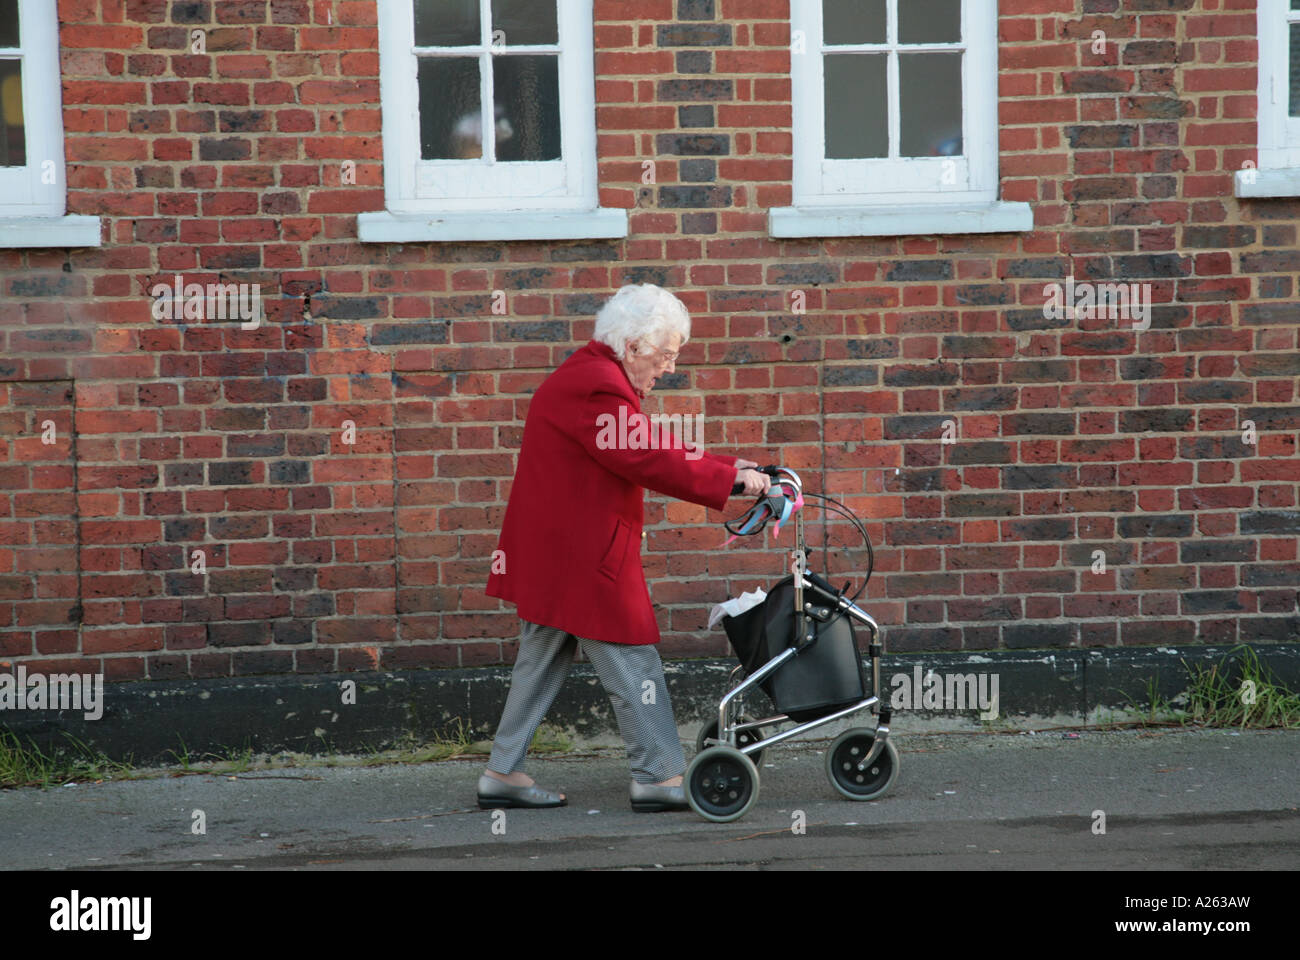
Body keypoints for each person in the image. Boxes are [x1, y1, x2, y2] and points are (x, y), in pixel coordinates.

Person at [478, 283, 772, 811]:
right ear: (634, 345)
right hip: (583, 558)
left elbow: (650, 440)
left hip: (557, 550)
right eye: (665, 355)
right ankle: (658, 777)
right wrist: (727, 484)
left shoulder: (593, 376)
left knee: (540, 659)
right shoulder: (598, 387)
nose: (668, 367)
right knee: (633, 659)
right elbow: (645, 456)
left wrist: (731, 467)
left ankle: (502, 771)